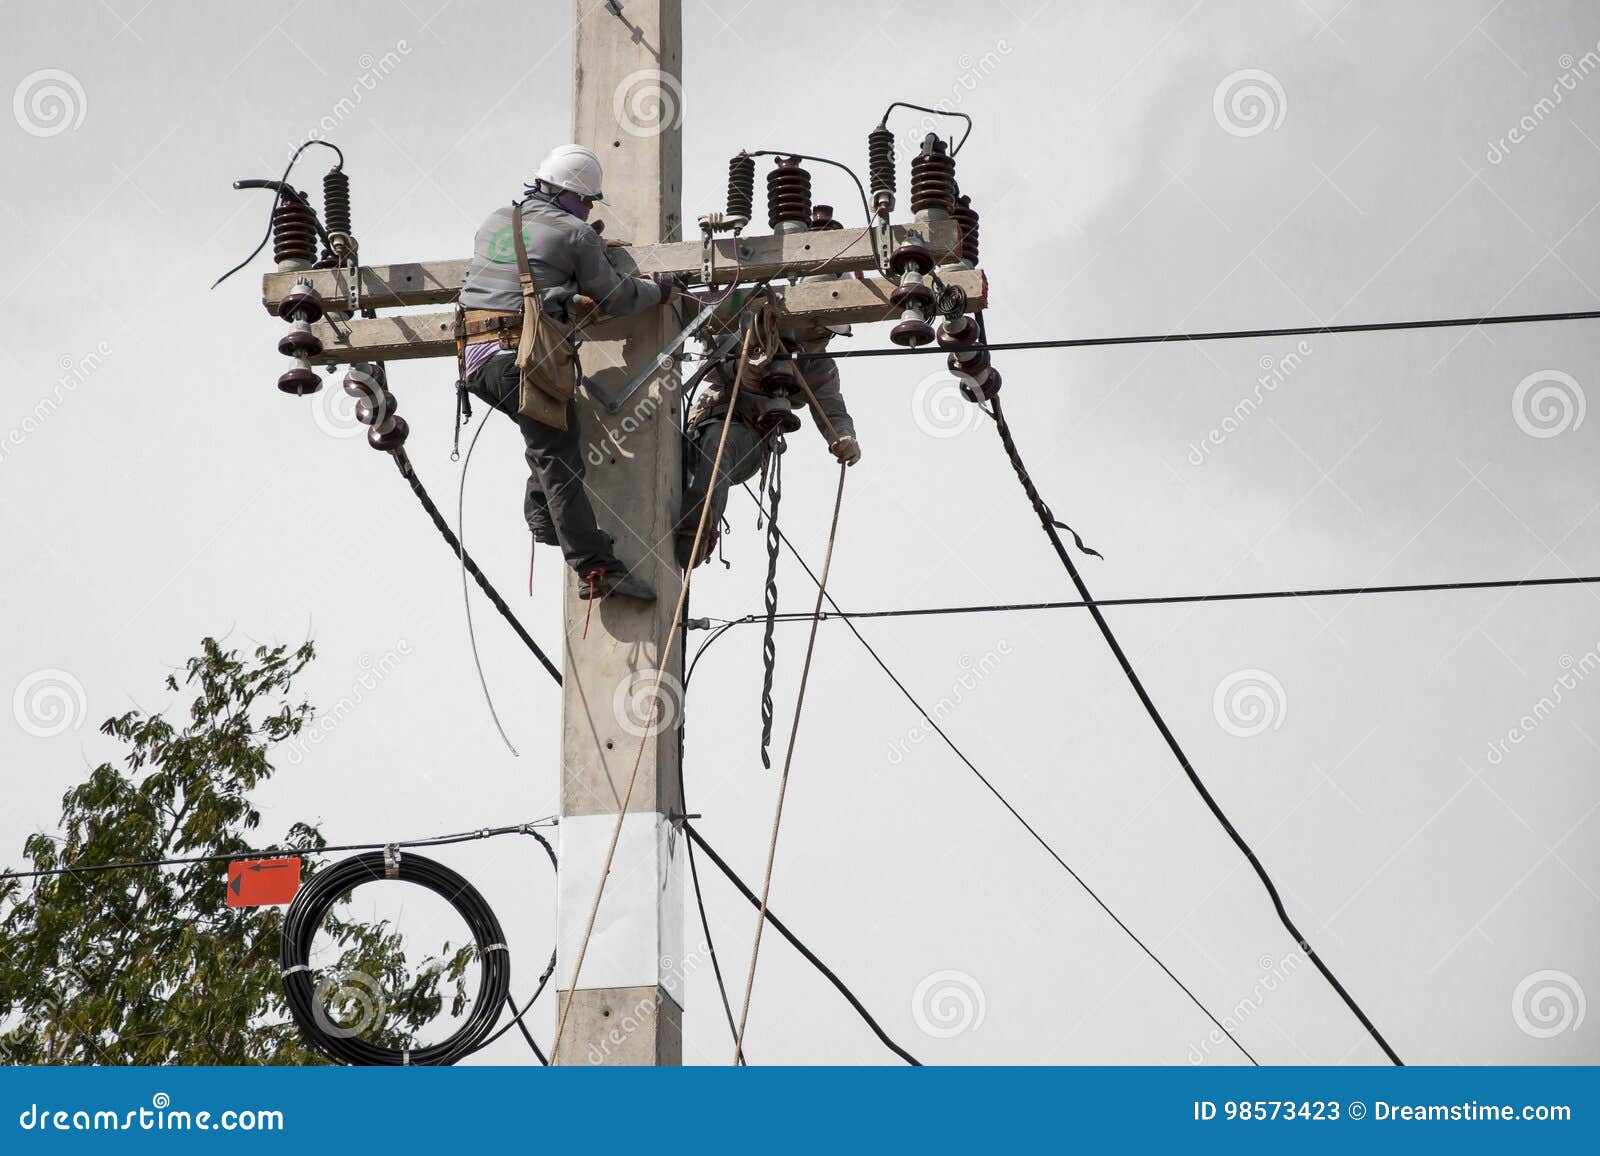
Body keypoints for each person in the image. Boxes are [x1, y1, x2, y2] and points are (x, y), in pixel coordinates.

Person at [457, 144, 683, 601]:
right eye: (587, 200)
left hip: (474, 362)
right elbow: (616, 297)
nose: (588, 209)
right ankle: (596, 568)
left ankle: (542, 514)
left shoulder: (496, 220)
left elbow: (523, 274)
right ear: (567, 194)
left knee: (552, 428)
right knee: (559, 460)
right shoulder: (576, 236)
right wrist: (658, 292)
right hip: (517, 360)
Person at [676, 314, 861, 569]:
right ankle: (687, 521)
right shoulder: (748, 331)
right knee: (692, 460)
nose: (827, 340)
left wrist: (844, 436)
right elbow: (706, 369)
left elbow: (833, 409)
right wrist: (744, 367)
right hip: (700, 427)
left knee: (722, 445)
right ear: (808, 323)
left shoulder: (819, 366)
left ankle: (697, 530)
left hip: (749, 438)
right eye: (824, 333)